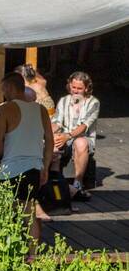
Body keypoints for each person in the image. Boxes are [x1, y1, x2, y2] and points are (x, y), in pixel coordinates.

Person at [0, 72, 53, 241]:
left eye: (4, 90)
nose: (4, 94)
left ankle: (1, 251)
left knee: (0, 212)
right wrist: (45, 166)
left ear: (10, 87)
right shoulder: (41, 110)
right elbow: (50, 142)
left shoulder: (5, 109)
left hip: (11, 169)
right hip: (34, 168)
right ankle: (32, 255)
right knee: (29, 214)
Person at [51, 71, 99, 200]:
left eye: (79, 88)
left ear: (87, 88)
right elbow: (57, 121)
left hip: (83, 137)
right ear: (69, 85)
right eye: (73, 87)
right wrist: (51, 130)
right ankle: (53, 181)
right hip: (65, 136)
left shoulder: (93, 103)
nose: (76, 91)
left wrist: (68, 136)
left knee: (80, 142)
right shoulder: (63, 100)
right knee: (54, 138)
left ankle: (78, 183)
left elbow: (84, 126)